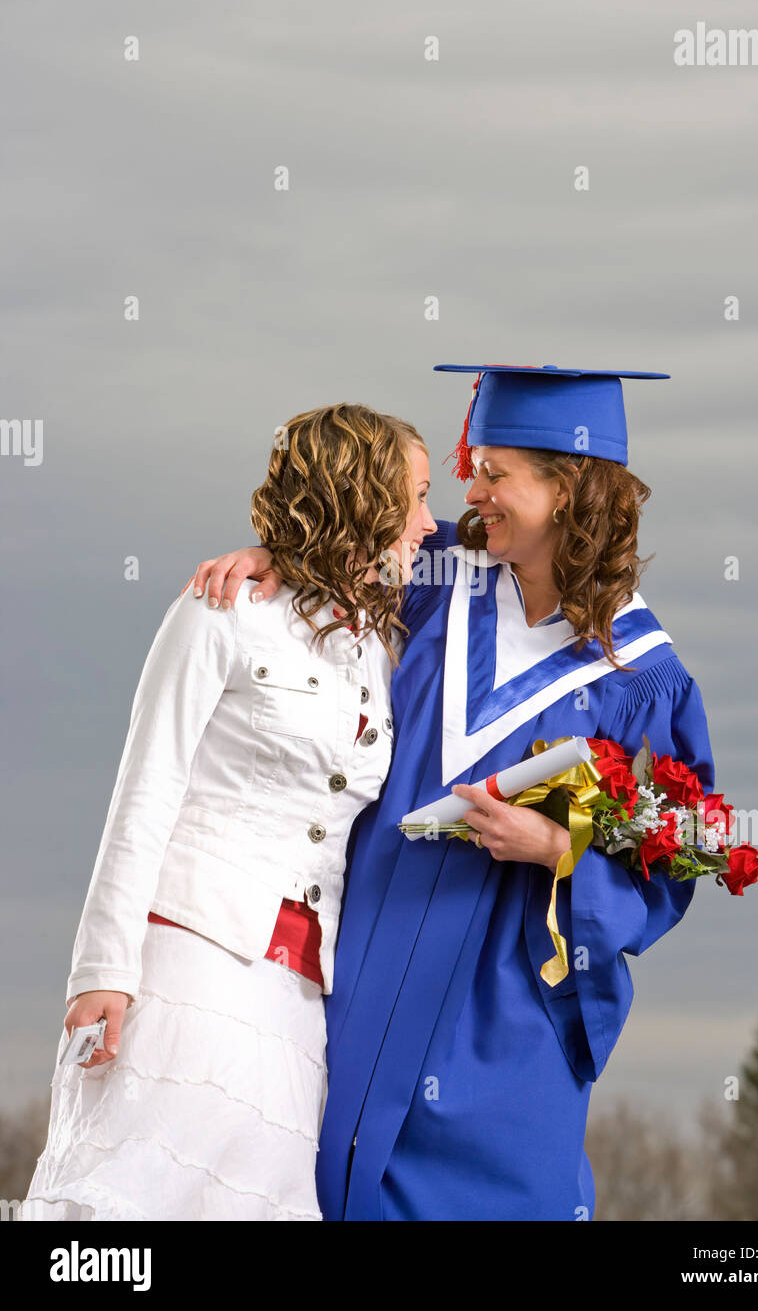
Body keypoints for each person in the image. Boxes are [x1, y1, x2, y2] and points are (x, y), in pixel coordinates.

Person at [187, 363, 715, 1221]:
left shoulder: (644, 678)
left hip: (505, 1004)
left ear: (569, 489)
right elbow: (335, 561)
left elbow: (682, 851)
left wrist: (560, 845)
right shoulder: (433, 579)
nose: (474, 490)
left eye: (497, 472)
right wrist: (276, 559)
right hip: (360, 963)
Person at [21, 403, 435, 1222]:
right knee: (129, 1203)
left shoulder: (379, 651)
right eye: (417, 497)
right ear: (363, 498)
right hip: (189, 962)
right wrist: (103, 970)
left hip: (299, 1000)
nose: (428, 522)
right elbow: (145, 790)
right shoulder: (219, 612)